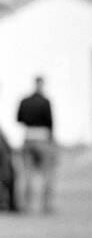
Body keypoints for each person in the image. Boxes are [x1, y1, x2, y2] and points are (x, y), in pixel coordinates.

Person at [16, 76, 57, 215]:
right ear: (42, 84)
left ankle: (27, 206)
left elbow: (19, 118)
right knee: (47, 173)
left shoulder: (25, 101)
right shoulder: (45, 102)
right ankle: (46, 205)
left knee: (27, 174)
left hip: (28, 137)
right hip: (43, 138)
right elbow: (50, 122)